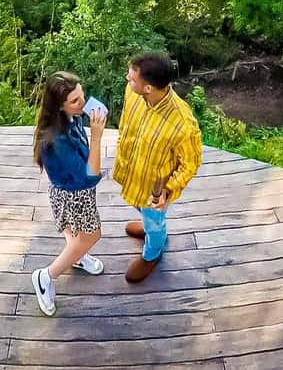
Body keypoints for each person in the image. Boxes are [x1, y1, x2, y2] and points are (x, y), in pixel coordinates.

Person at [113, 52, 202, 283]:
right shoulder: (133, 95)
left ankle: (152, 251)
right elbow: (125, 124)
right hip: (133, 174)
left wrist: (167, 190)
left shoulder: (182, 122)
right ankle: (150, 228)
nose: (127, 79)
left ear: (149, 88)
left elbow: (191, 163)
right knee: (142, 211)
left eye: (132, 78)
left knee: (154, 220)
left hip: (156, 190)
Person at [31, 71, 108, 317]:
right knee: (91, 234)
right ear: (58, 105)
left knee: (74, 233)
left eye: (82, 96)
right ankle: (46, 276)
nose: (82, 104)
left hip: (70, 188)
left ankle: (78, 256)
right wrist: (96, 138)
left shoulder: (69, 117)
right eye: (75, 101)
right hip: (74, 193)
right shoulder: (55, 141)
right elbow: (89, 177)